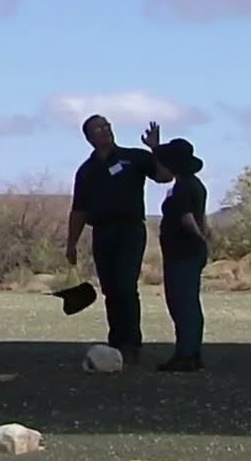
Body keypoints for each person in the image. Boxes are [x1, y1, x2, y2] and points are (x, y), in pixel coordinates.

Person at [65, 116, 172, 364]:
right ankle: (117, 341)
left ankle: (131, 343)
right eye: (98, 128)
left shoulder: (134, 158)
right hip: (102, 233)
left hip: (130, 231)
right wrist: (71, 243)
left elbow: (165, 176)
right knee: (110, 289)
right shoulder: (87, 170)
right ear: (89, 137)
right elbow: (79, 209)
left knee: (125, 285)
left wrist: (156, 148)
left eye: (107, 126)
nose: (105, 131)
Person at [155, 136, 209, 372]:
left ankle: (186, 353)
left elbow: (187, 217)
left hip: (183, 252)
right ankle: (190, 351)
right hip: (187, 252)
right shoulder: (193, 184)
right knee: (188, 302)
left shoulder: (184, 187)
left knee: (182, 302)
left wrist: (198, 236)